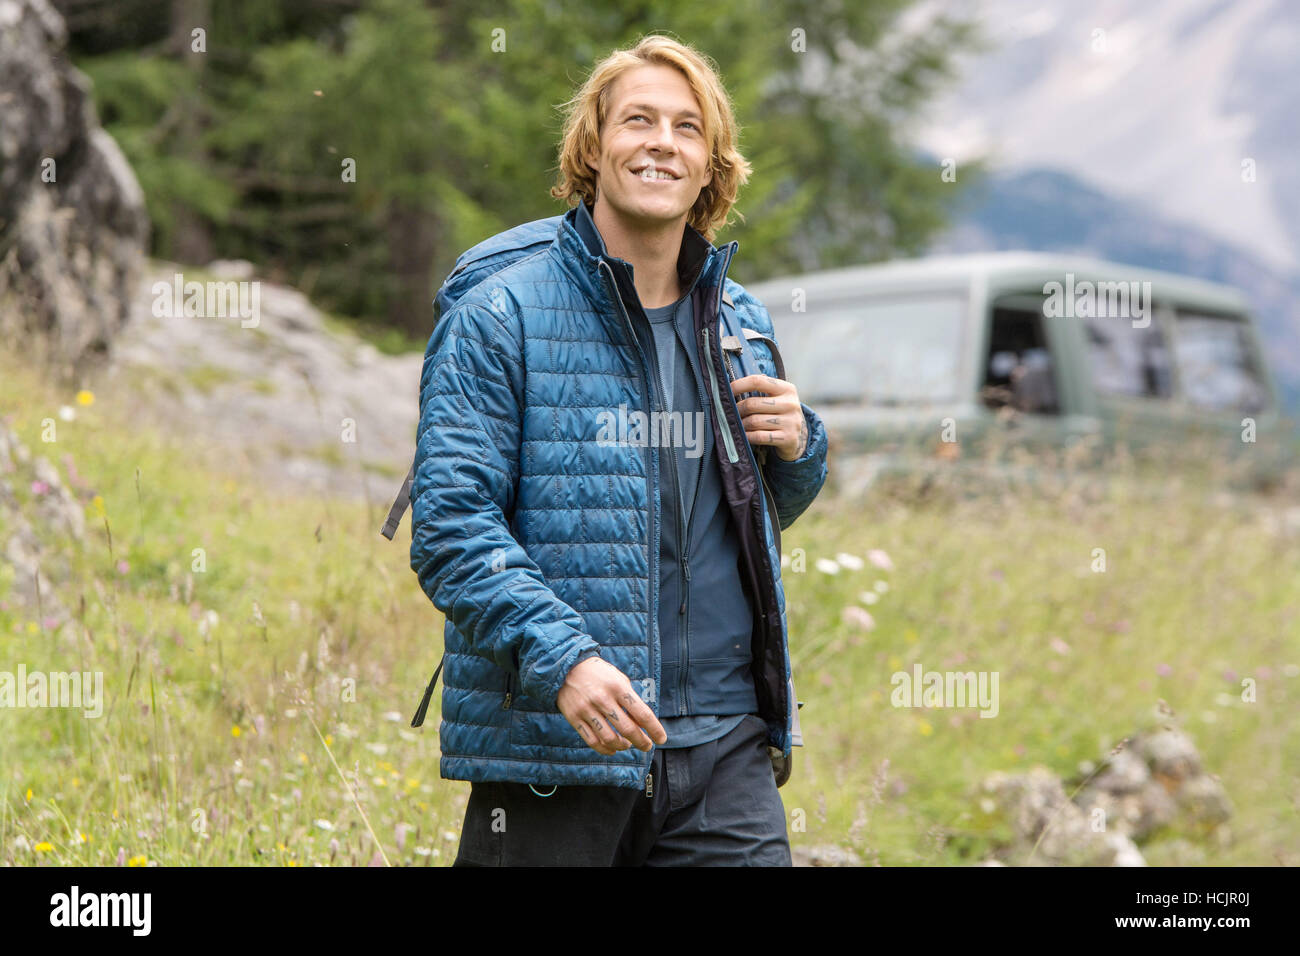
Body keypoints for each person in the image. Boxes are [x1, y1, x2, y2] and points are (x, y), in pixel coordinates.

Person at [409, 34, 829, 866]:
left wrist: (800, 448)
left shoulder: (738, 319)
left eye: (686, 127)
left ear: (713, 165)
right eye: (638, 120)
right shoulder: (501, 315)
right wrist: (565, 662)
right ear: (594, 147)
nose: (662, 142)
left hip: (725, 750)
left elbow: (736, 522)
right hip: (557, 751)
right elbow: (453, 527)